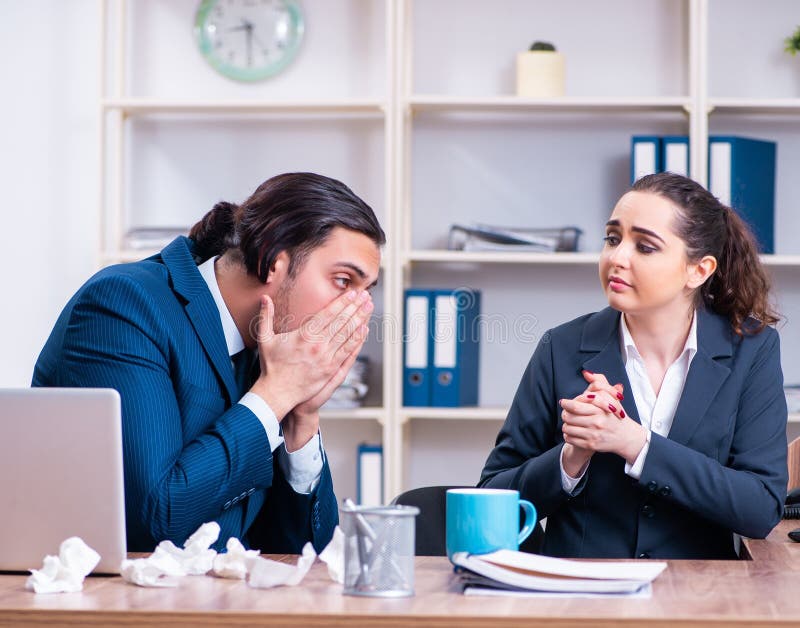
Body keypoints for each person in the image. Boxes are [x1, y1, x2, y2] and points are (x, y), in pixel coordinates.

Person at [33, 172, 384, 553]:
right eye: (344, 280)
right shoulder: (125, 305)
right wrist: (275, 394)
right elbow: (154, 522)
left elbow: (305, 555)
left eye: (366, 293)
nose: (358, 310)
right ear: (273, 261)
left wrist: (302, 418)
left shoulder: (271, 349)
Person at [479, 172, 788, 559]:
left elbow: (760, 508)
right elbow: (491, 500)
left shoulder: (750, 350)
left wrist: (636, 444)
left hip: (700, 600)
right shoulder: (561, 347)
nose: (617, 258)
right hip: (581, 601)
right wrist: (571, 456)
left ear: (699, 270)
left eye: (645, 247)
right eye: (612, 239)